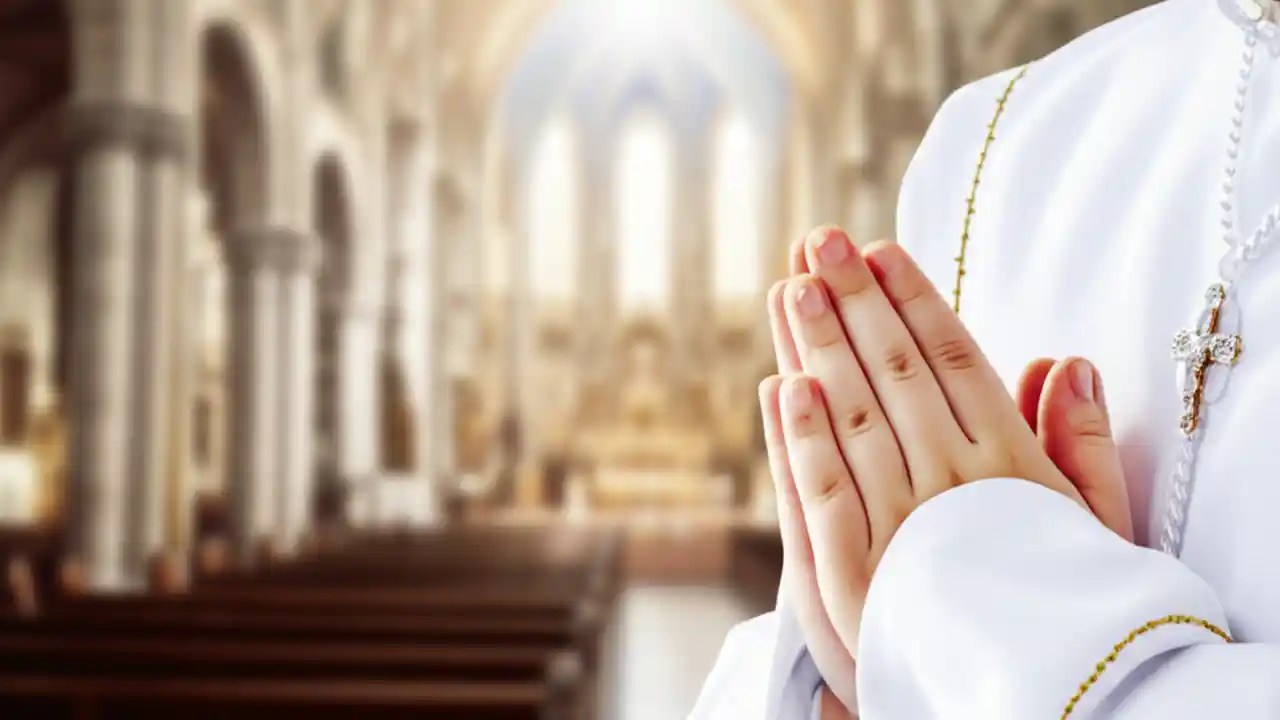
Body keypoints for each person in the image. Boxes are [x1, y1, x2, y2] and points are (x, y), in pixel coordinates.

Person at [692, 0, 1280, 717]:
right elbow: (864, 631)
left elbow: (946, 620)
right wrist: (851, 678)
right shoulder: (1003, 141)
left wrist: (992, 641)